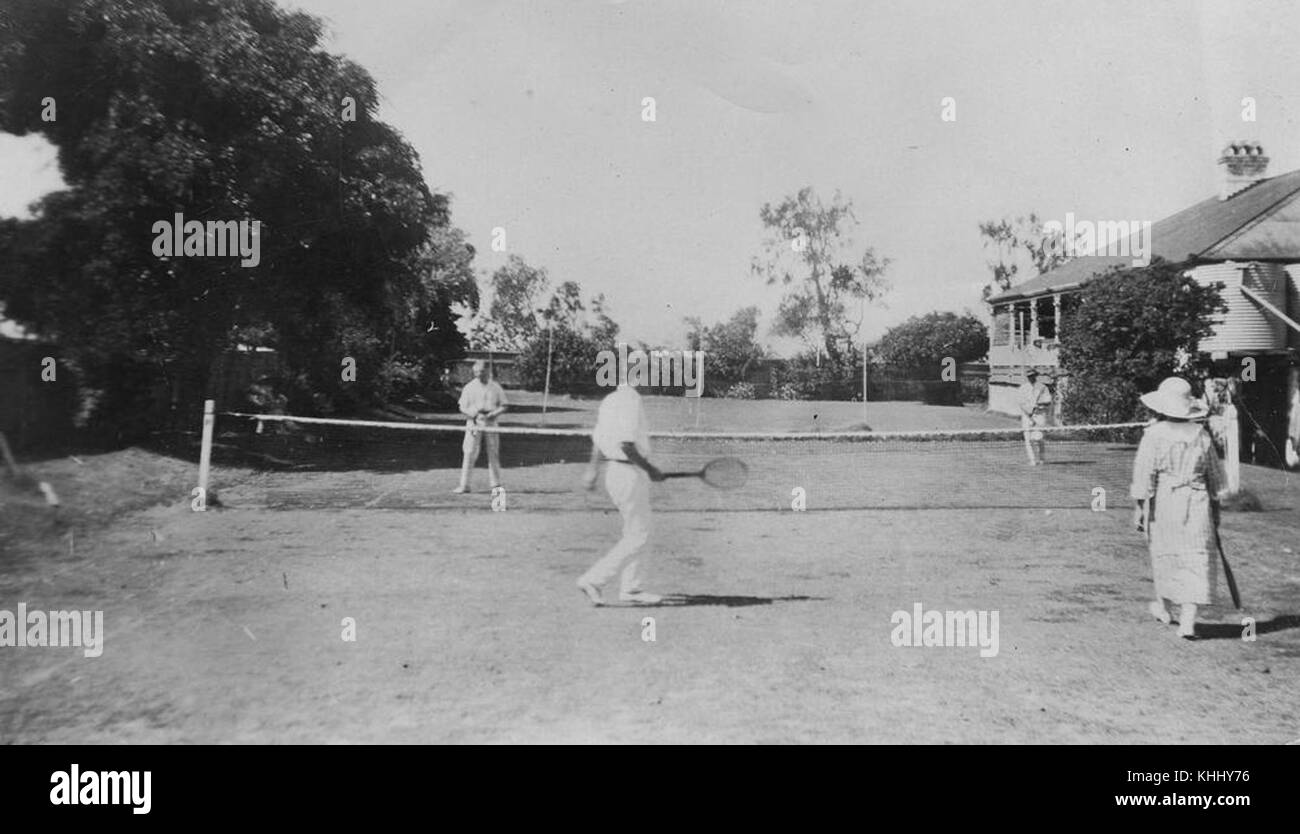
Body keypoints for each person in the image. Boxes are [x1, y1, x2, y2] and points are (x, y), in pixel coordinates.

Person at [1130, 377, 1225, 640]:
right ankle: (1184, 620)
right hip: (1198, 501)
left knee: (1166, 552)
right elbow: (1215, 478)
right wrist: (1216, 510)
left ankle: (1167, 608)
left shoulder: (1154, 435)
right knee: (1194, 557)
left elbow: (1143, 474)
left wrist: (1139, 507)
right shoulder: (1201, 435)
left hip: (1168, 501)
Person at [577, 378, 665, 606]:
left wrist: (592, 471)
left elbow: (598, 441)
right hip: (629, 473)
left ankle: (632, 589)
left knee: (636, 530)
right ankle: (593, 580)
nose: (653, 380)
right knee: (639, 534)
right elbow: (627, 444)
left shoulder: (610, 399)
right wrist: (651, 469)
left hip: (616, 473)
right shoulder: (631, 401)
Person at [452, 360, 508, 494]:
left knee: (493, 452)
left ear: (487, 371)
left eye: (482, 371)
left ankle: (496, 485)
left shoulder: (495, 387)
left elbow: (504, 405)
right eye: (476, 372)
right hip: (474, 422)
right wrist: (474, 415)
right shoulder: (469, 387)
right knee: (469, 452)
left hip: (491, 422)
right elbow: (462, 407)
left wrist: (493, 414)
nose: (479, 374)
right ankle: (464, 485)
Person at [1017, 368, 1054, 465]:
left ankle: (1042, 458)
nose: (1031, 378)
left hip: (1039, 415)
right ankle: (1032, 460)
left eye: (1032, 375)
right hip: (1027, 416)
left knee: (1039, 438)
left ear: (1036, 376)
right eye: (1029, 376)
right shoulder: (1023, 388)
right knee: (1028, 439)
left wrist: (1039, 405)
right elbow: (1021, 402)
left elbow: (1048, 400)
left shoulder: (1042, 387)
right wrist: (1029, 412)